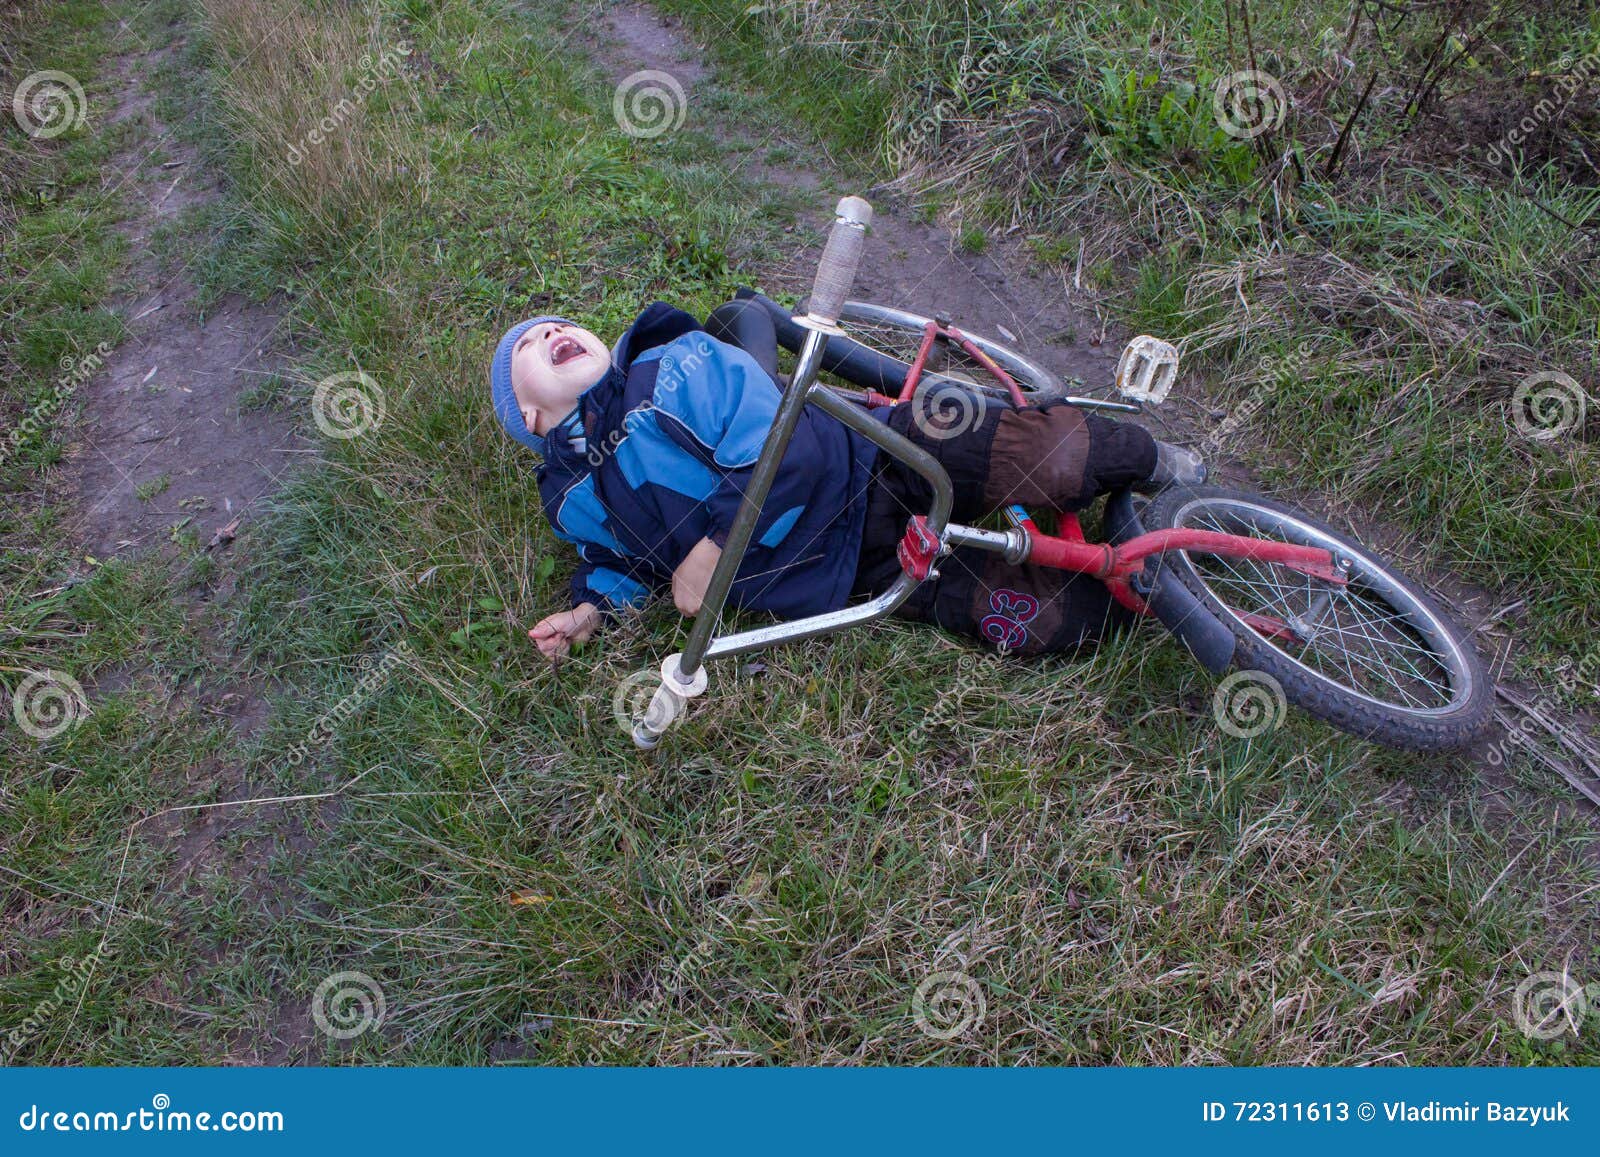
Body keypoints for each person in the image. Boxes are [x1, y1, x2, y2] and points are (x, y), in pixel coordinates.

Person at [489, 299, 1204, 659]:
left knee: (1040, 453)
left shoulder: (672, 368)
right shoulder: (574, 501)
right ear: (530, 417)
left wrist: (711, 550)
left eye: (555, 325)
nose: (550, 333)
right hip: (846, 573)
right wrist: (592, 609)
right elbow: (626, 562)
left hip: (874, 455)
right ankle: (1172, 608)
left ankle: (1151, 460)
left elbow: (788, 449)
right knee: (1036, 620)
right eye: (528, 345)